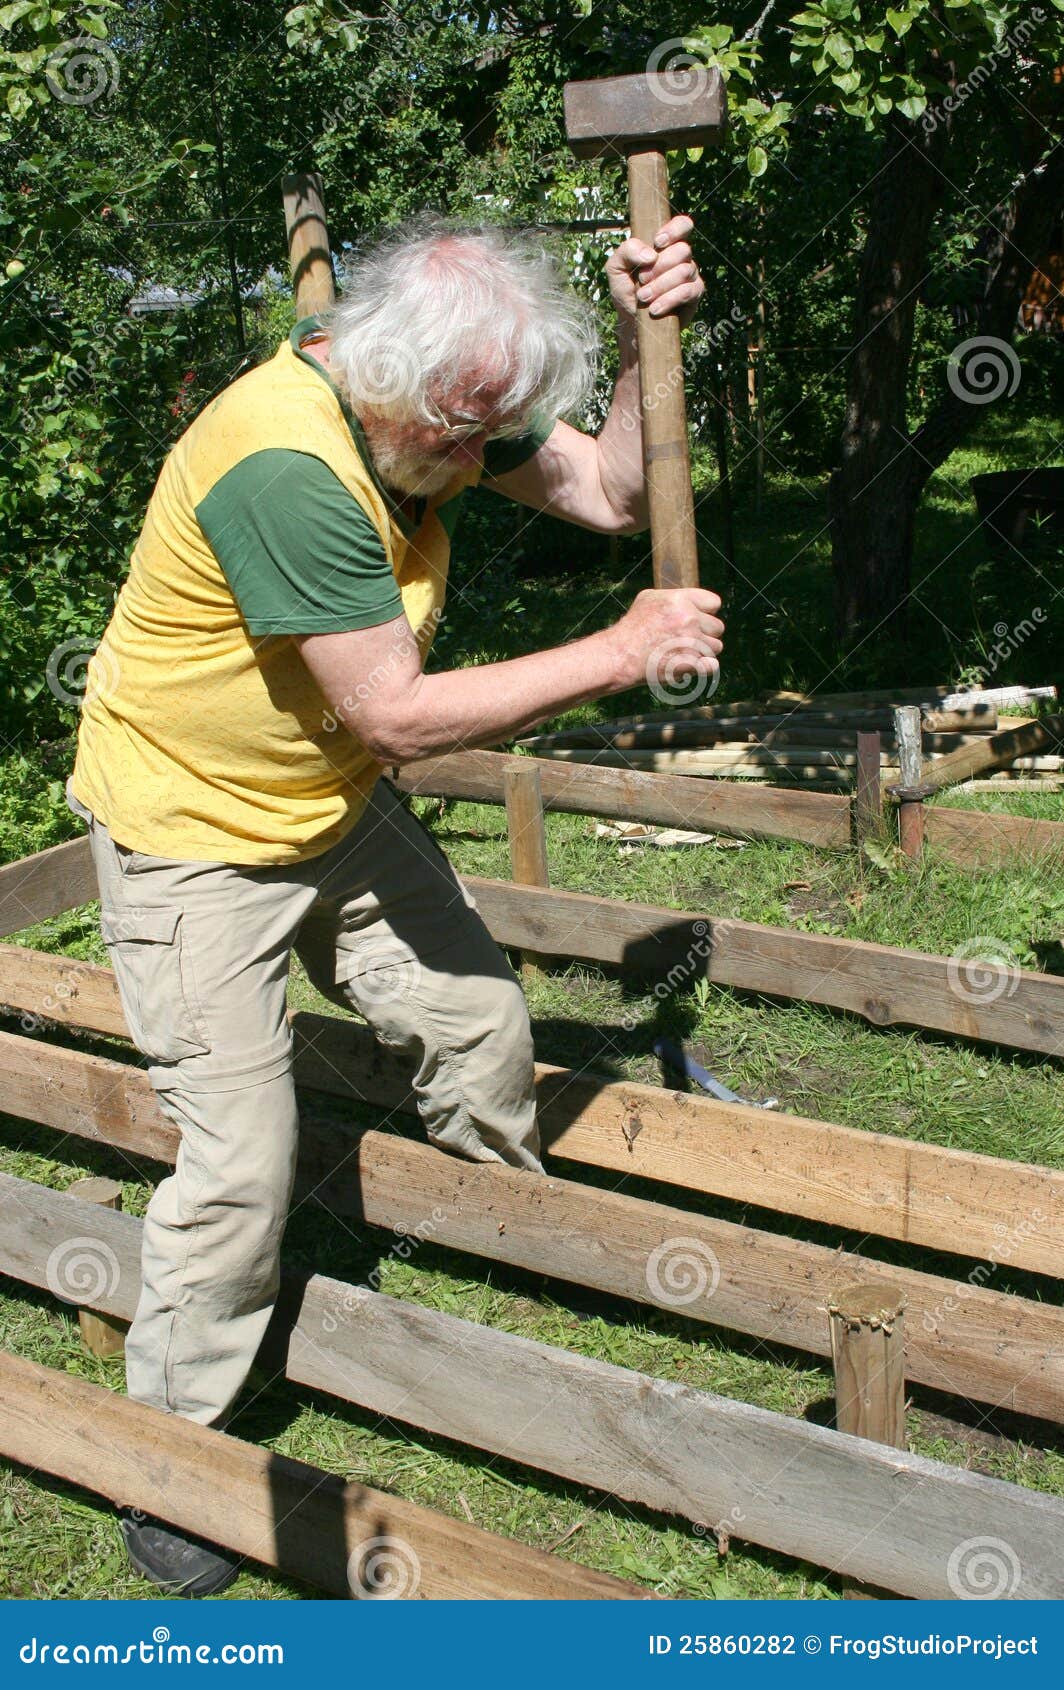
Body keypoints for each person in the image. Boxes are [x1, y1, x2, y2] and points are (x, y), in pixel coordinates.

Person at [66, 211, 722, 1597]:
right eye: (474, 436)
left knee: (482, 1021)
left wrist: (634, 325)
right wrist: (619, 651)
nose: (487, 460)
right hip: (194, 828)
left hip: (330, 796)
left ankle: (501, 1236)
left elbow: (609, 492)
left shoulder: (435, 408)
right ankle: (170, 1441)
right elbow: (405, 716)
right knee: (242, 1159)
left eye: (500, 432)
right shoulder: (285, 465)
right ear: (406, 396)